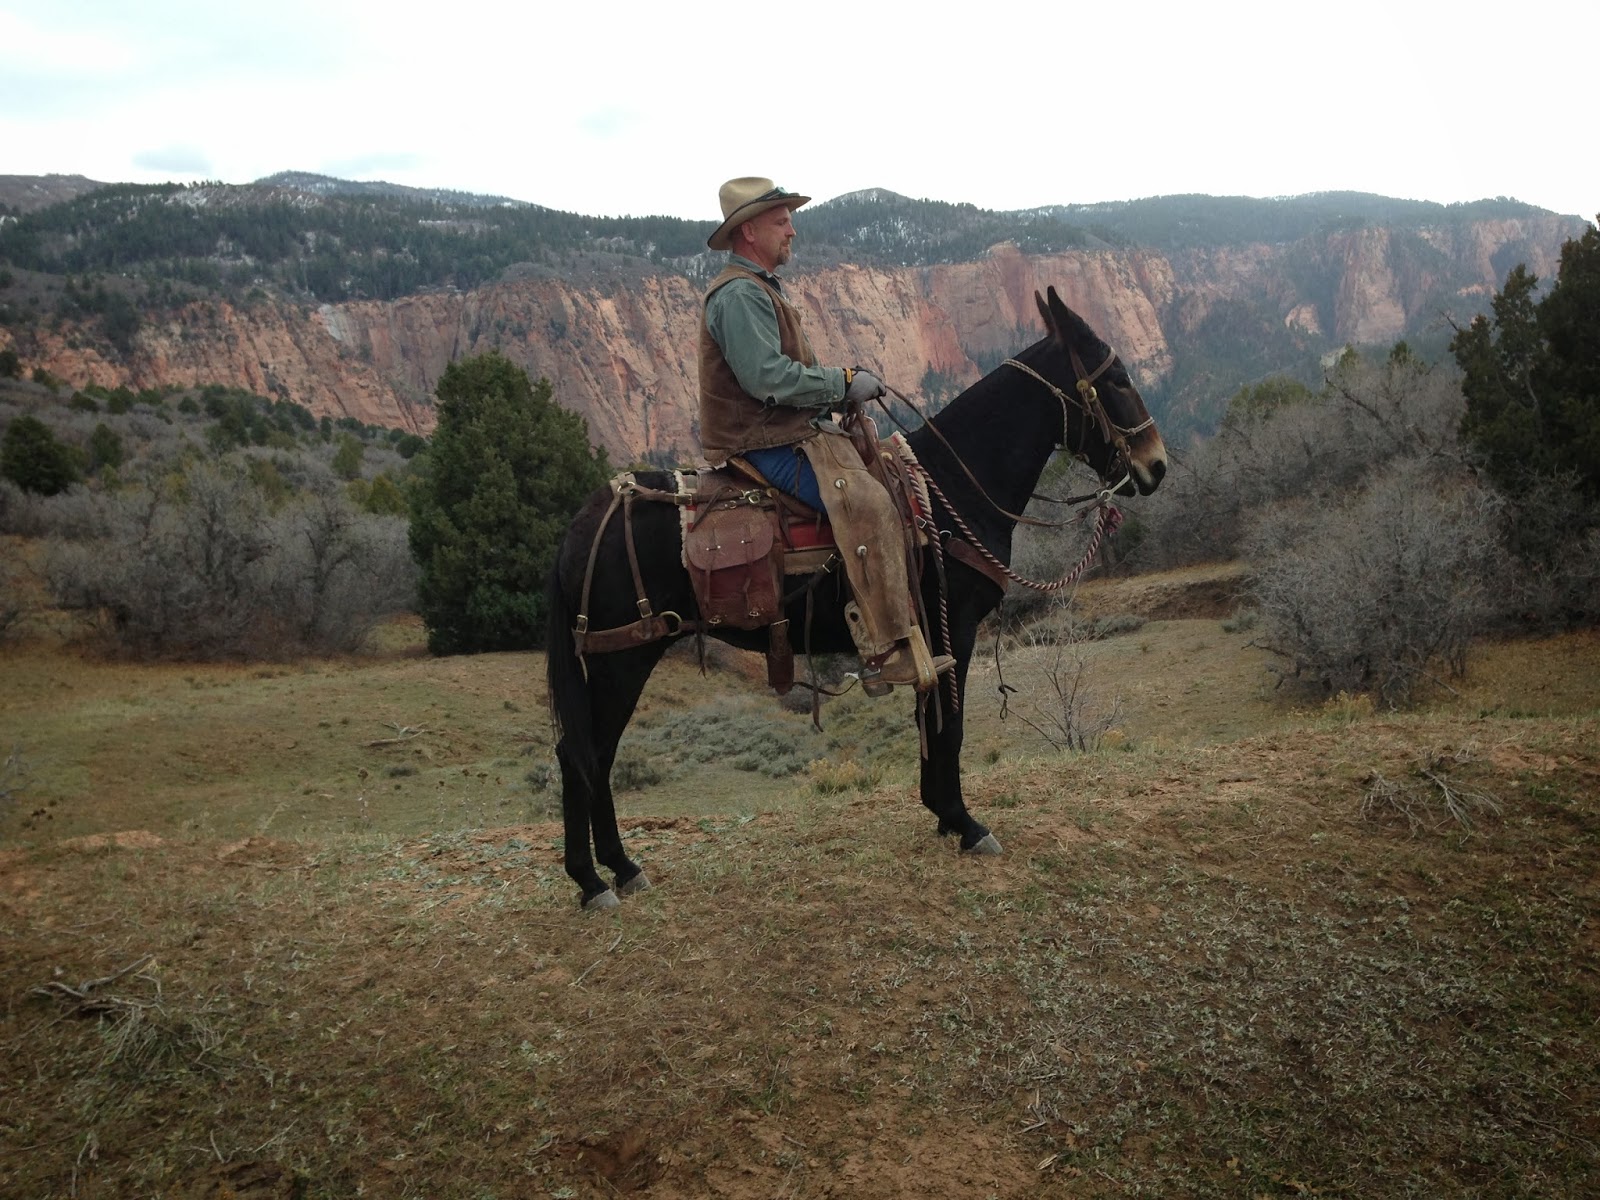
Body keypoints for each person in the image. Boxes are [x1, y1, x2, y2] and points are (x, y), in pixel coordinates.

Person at [697, 176, 955, 693]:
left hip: (787, 430)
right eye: (781, 221)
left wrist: (840, 394)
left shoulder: (760, 288)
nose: (792, 230)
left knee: (889, 468)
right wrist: (842, 382)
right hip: (764, 442)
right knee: (871, 504)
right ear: (749, 232)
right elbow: (768, 379)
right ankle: (884, 651)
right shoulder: (741, 295)